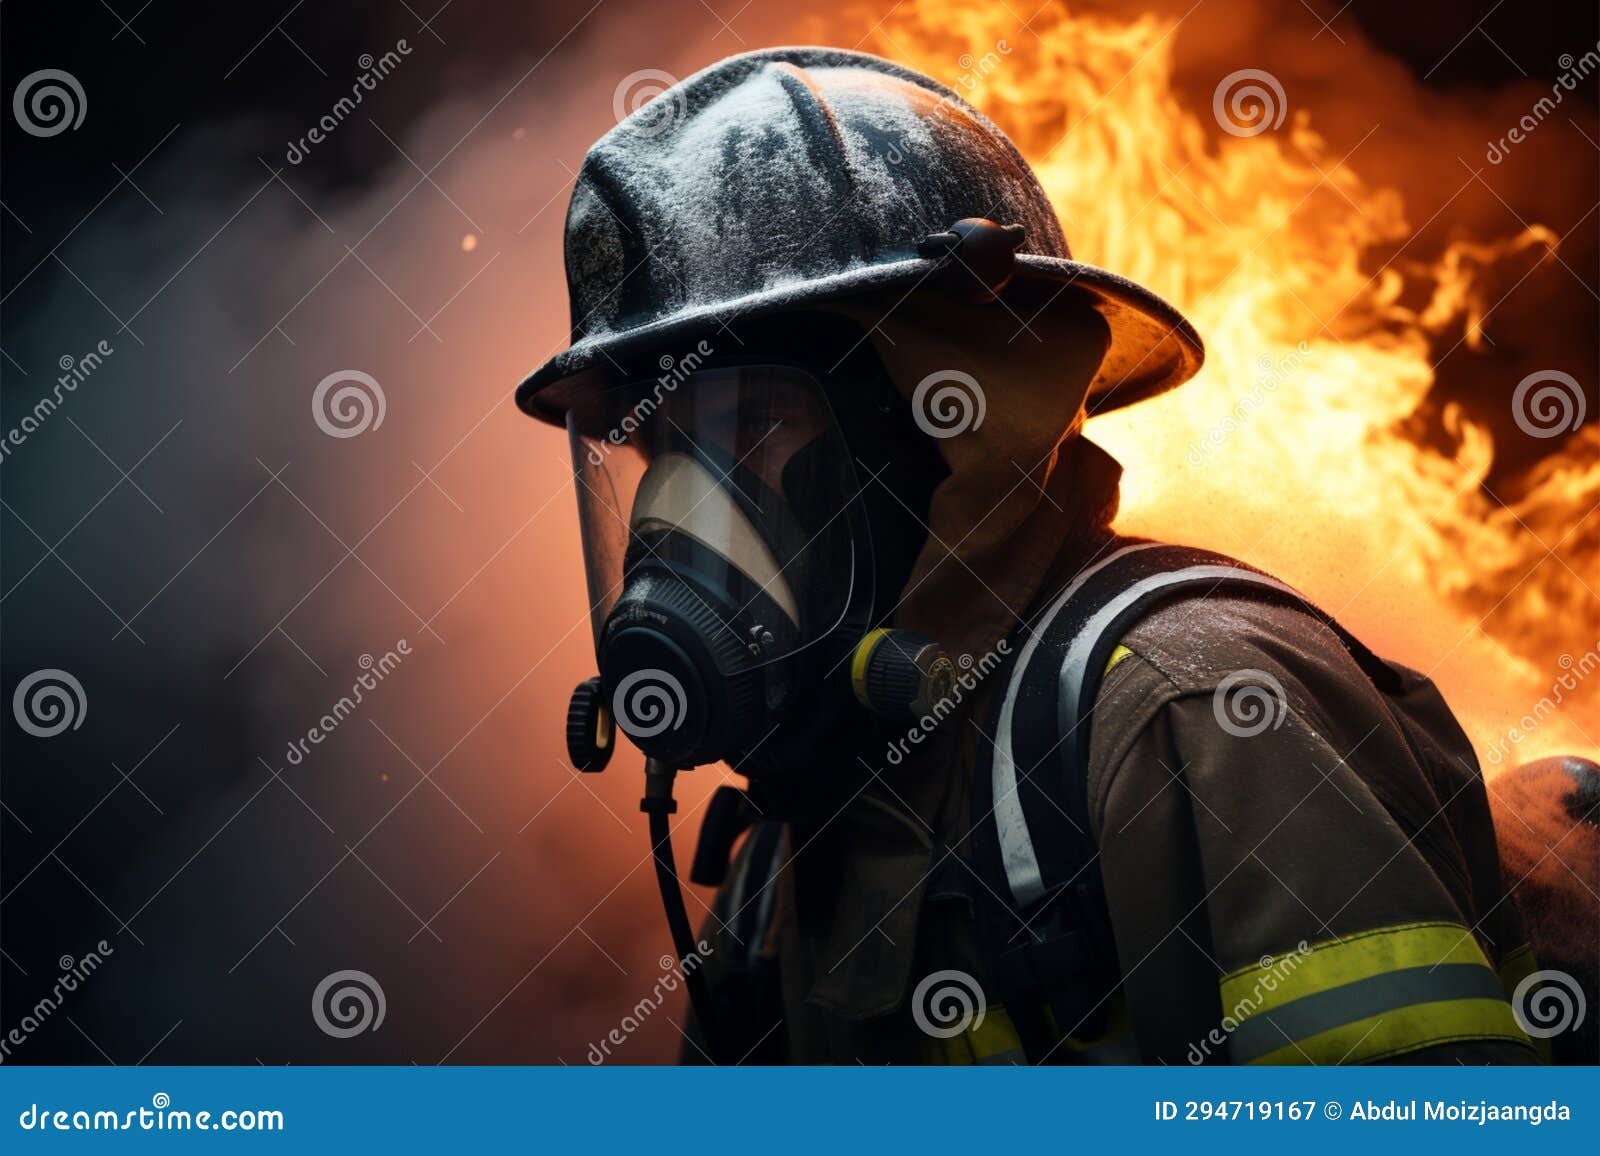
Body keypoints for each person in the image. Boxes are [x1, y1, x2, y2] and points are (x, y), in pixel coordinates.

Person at [519, 47, 1569, 1064]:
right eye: (661, 447)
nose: (678, 509)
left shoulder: (1197, 713)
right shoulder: (781, 859)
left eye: (750, 425)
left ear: (940, 422)